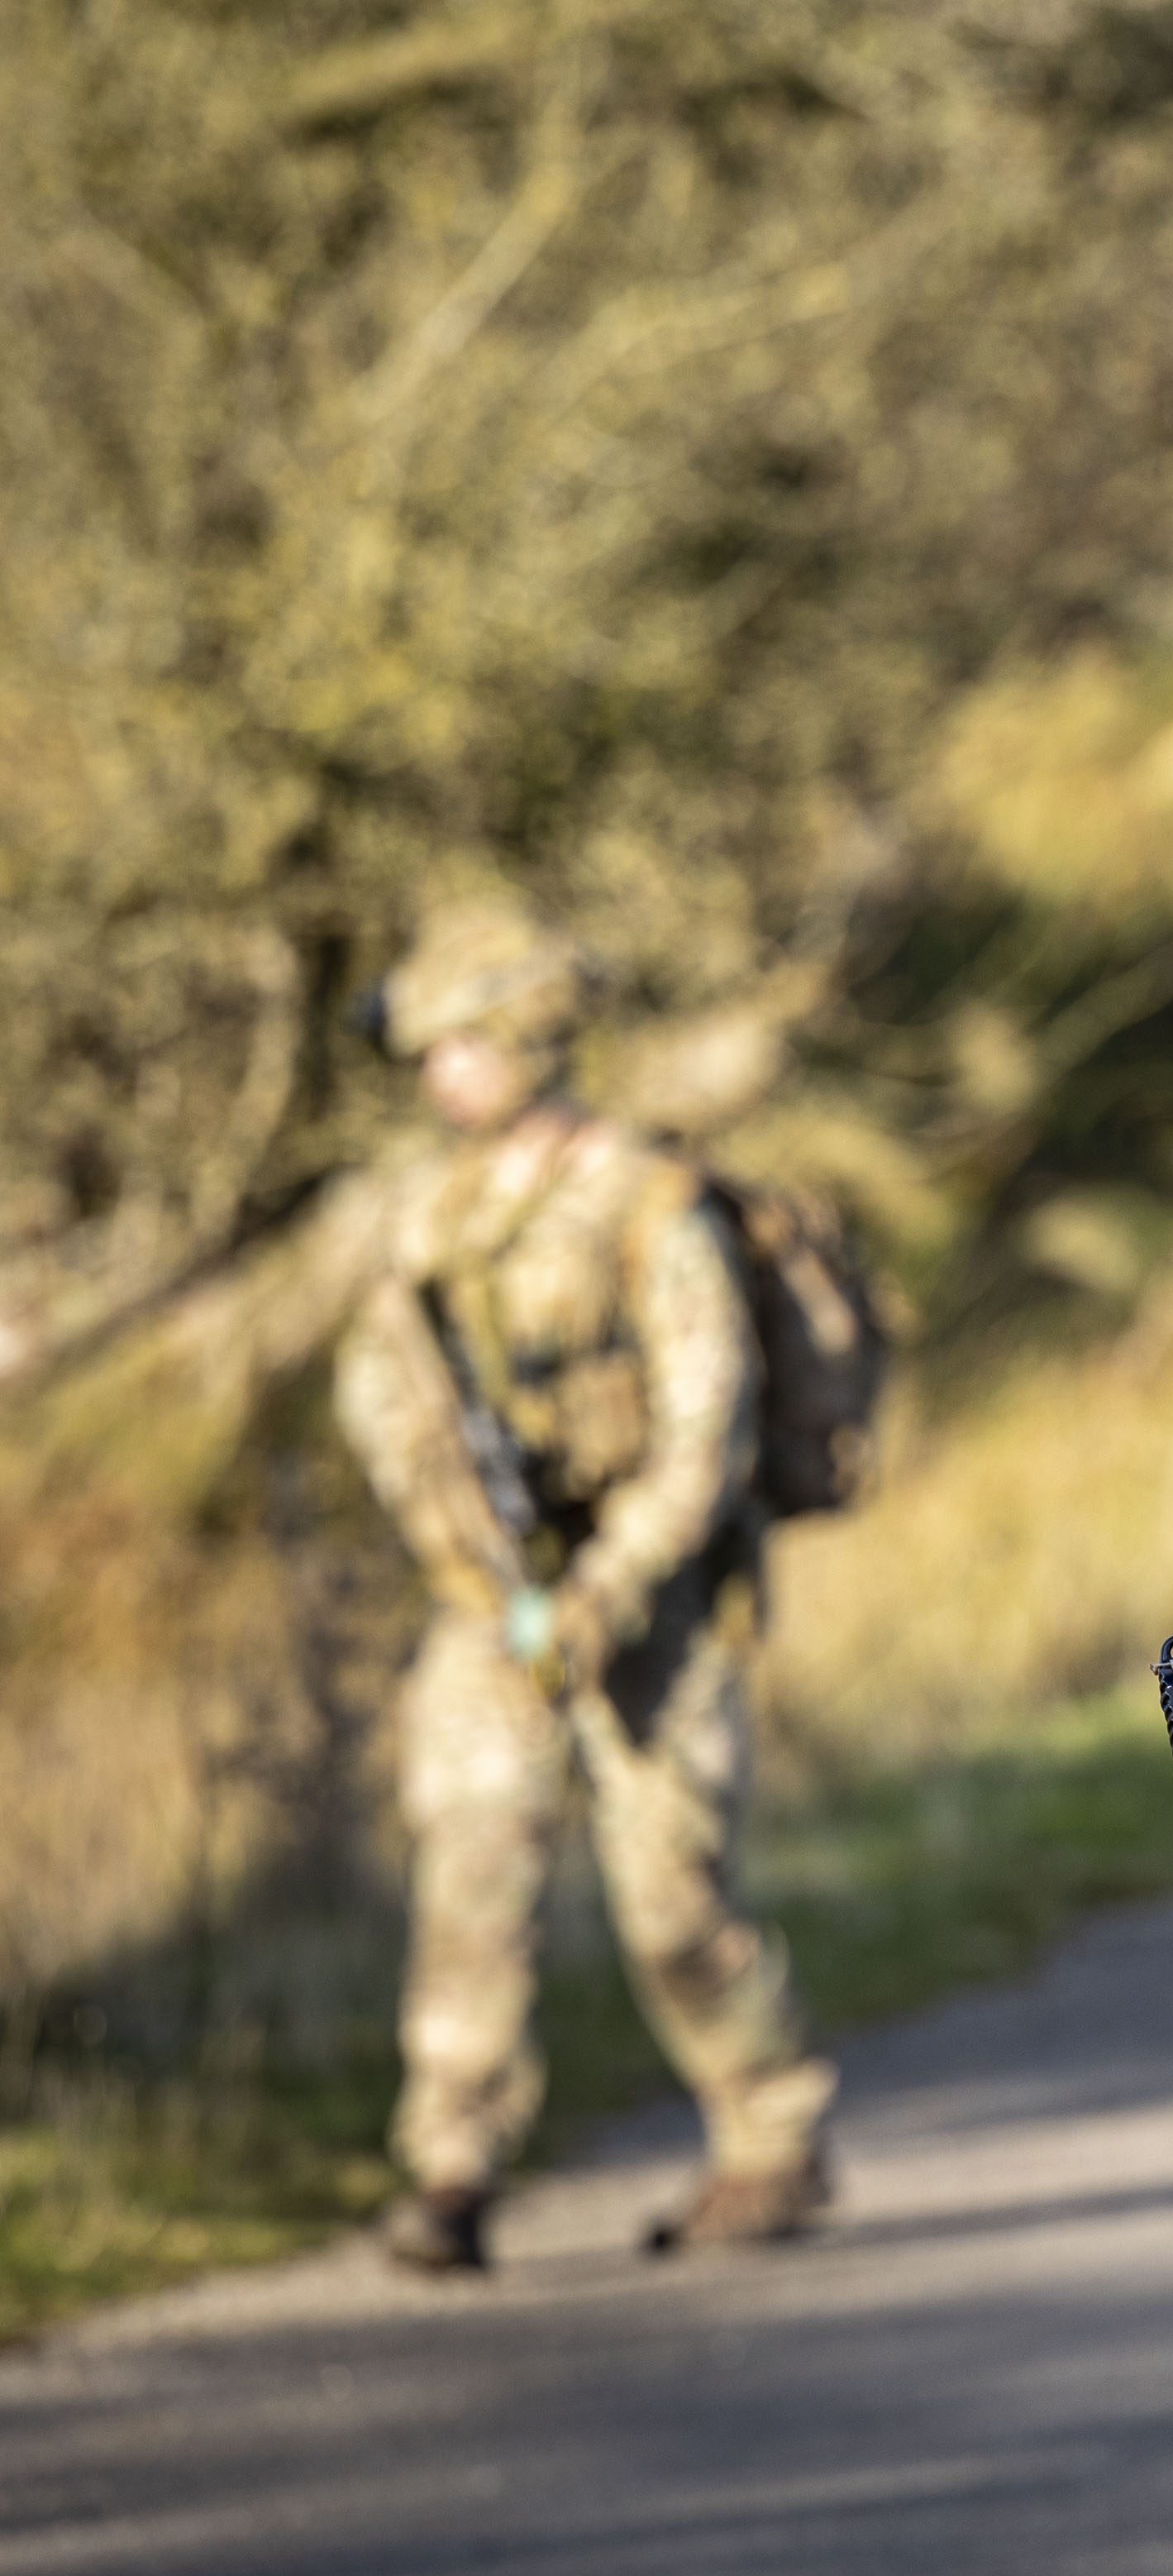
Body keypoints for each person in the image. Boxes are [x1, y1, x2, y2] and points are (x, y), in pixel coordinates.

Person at [332, 898, 839, 2273]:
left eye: (461, 1045)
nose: (441, 1074)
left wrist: (610, 1583)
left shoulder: (647, 1199)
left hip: (650, 1593)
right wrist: (477, 1569)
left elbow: (707, 1421)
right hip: (491, 1597)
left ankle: (767, 2134)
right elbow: (385, 1395)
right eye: (428, 1053)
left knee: (671, 1889)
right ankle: (450, 2165)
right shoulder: (421, 1211)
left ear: (526, 1038)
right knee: (474, 1856)